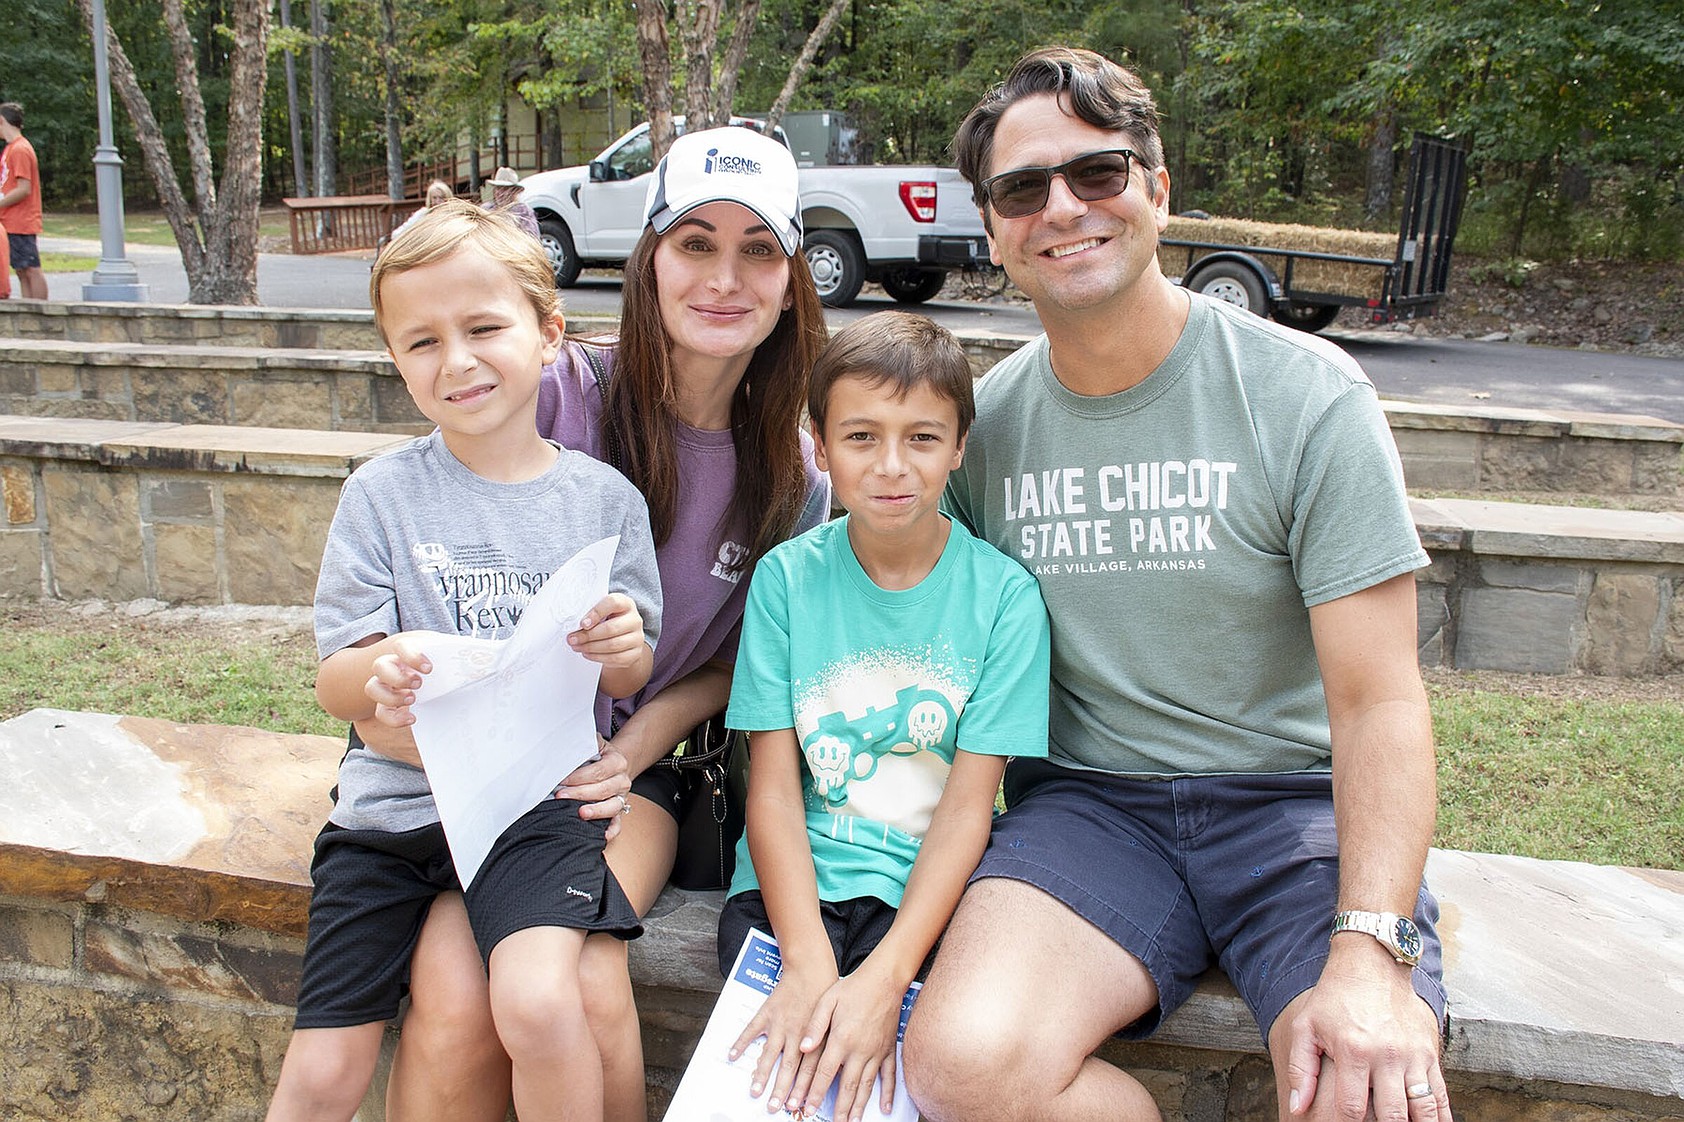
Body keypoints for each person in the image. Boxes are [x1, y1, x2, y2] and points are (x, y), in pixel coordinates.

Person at [900, 47, 1451, 1122]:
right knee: (963, 1064)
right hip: (1089, 809)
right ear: (993, 229)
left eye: (1096, 174)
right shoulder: (980, 433)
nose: (1061, 208)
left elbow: (1380, 698)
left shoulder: (1305, 396)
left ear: (1157, 190)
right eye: (1022, 189)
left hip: (1293, 809)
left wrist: (1373, 947)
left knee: (1364, 1086)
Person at [375, 125, 831, 1122]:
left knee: (569, 985)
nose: (725, 277)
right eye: (695, 243)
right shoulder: (557, 395)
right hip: (470, 761)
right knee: (453, 1004)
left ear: (793, 278)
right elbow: (418, 555)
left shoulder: (796, 479)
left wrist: (630, 754)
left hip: (622, 777)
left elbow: (734, 669)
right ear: (650, 258)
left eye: (760, 249)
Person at [265, 199, 663, 1122]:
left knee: (539, 1000)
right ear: (395, 358)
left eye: (484, 328)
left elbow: (630, 672)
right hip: (388, 818)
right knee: (324, 1069)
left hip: (532, 811)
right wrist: (381, 673)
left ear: (549, 333)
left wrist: (620, 646)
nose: (457, 361)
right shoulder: (380, 497)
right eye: (421, 342)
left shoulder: (603, 501)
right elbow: (334, 678)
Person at [716, 311, 1051, 1122]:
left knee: (888, 1094)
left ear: (961, 445)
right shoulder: (786, 581)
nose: (891, 466)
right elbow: (772, 789)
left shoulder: (1005, 600)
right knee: (780, 1091)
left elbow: (970, 807)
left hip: (924, 905)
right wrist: (804, 961)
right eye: (861, 437)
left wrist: (890, 971)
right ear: (820, 447)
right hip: (786, 897)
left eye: (922, 438)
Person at [0, 103, 47, 300]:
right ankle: (29, 309)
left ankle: (41, 311)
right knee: (21, 269)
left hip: (21, 220)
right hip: (10, 220)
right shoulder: (10, 149)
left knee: (30, 268)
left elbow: (24, 189)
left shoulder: (20, 149)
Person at [486, 165, 541, 241]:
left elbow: (532, 240)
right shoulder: (486, 210)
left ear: (514, 191)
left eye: (505, 189)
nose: (500, 193)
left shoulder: (523, 212)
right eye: (498, 188)